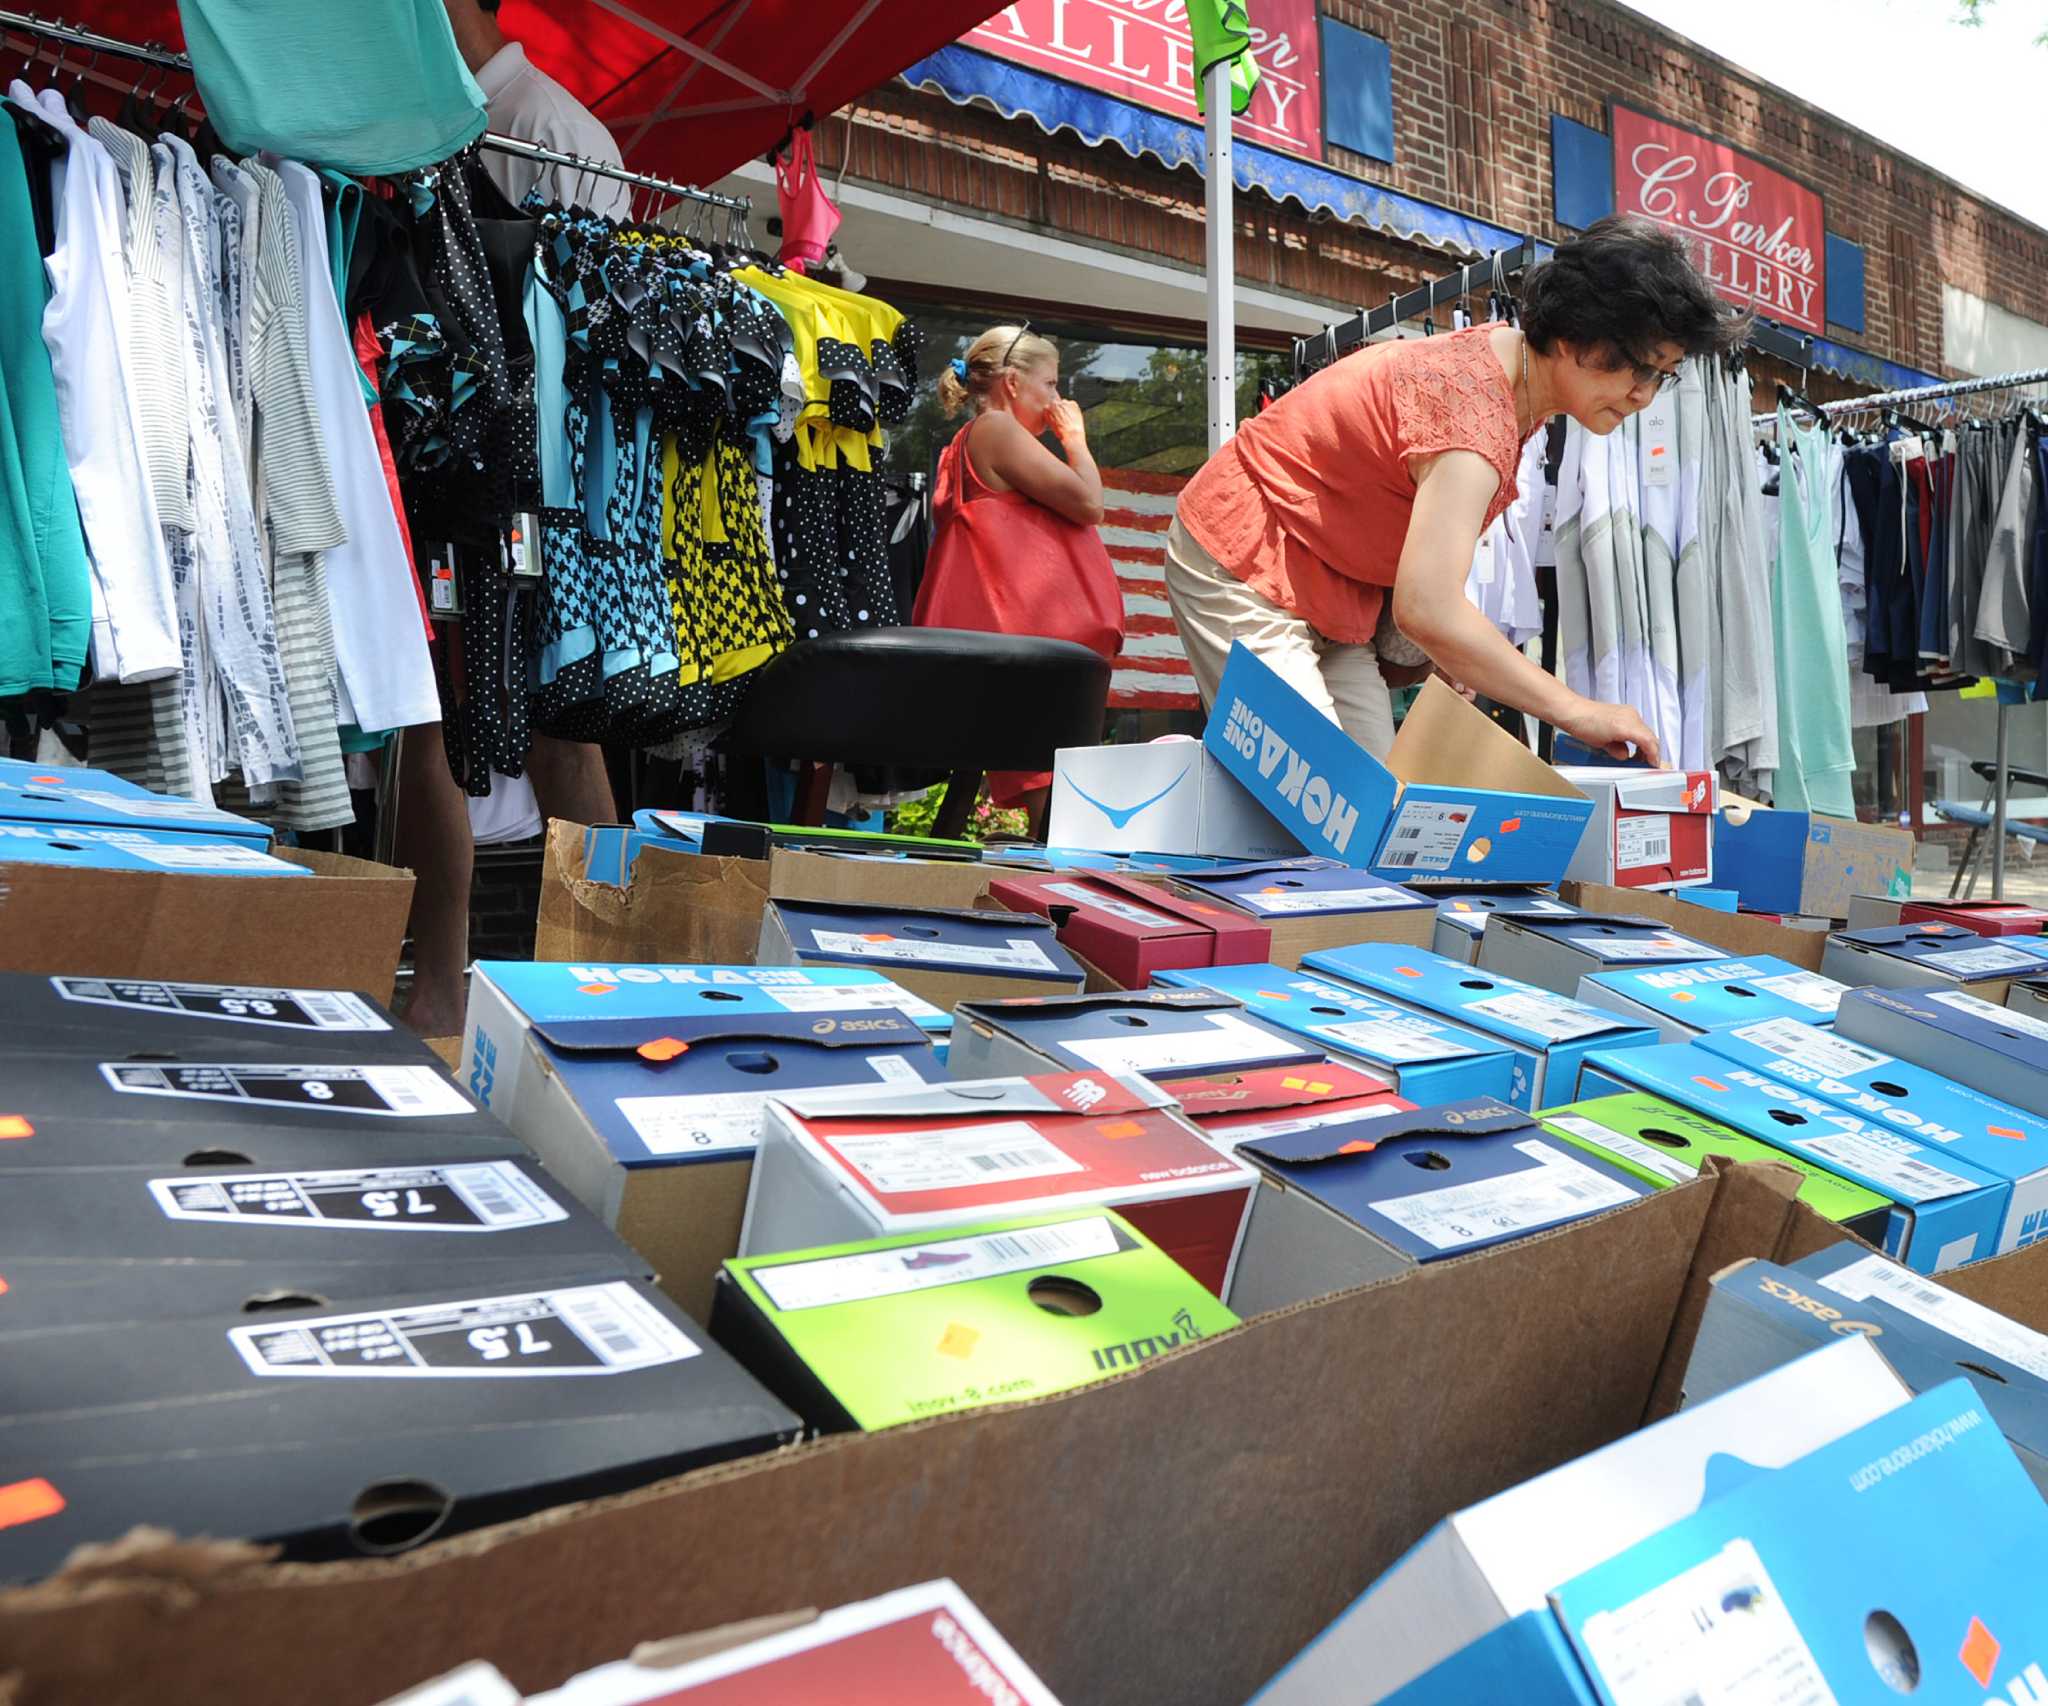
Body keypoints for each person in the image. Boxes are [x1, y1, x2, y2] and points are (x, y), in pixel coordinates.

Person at [1166, 214, 1749, 767]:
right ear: (1577, 337)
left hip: (1332, 583)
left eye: (1661, 376)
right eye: (1638, 369)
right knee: (1318, 796)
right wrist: (1575, 710)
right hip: (1246, 548)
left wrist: (1452, 652)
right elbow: (1428, 609)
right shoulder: (1476, 416)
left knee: (1366, 795)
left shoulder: (1511, 375)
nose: (1644, 396)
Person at [395, 0, 630, 1036]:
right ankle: (443, 983)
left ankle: (611, 966)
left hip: (543, 473)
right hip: (453, 450)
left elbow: (600, 318)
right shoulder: (425, 118)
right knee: (432, 713)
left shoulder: (553, 129)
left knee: (560, 729)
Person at [912, 324, 1123, 827]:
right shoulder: (997, 430)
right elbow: (1090, 503)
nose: (1057, 397)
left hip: (998, 634)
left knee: (979, 790)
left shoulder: (970, 440)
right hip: (1023, 637)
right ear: (1012, 382)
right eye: (1050, 383)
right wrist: (1076, 441)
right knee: (1050, 801)